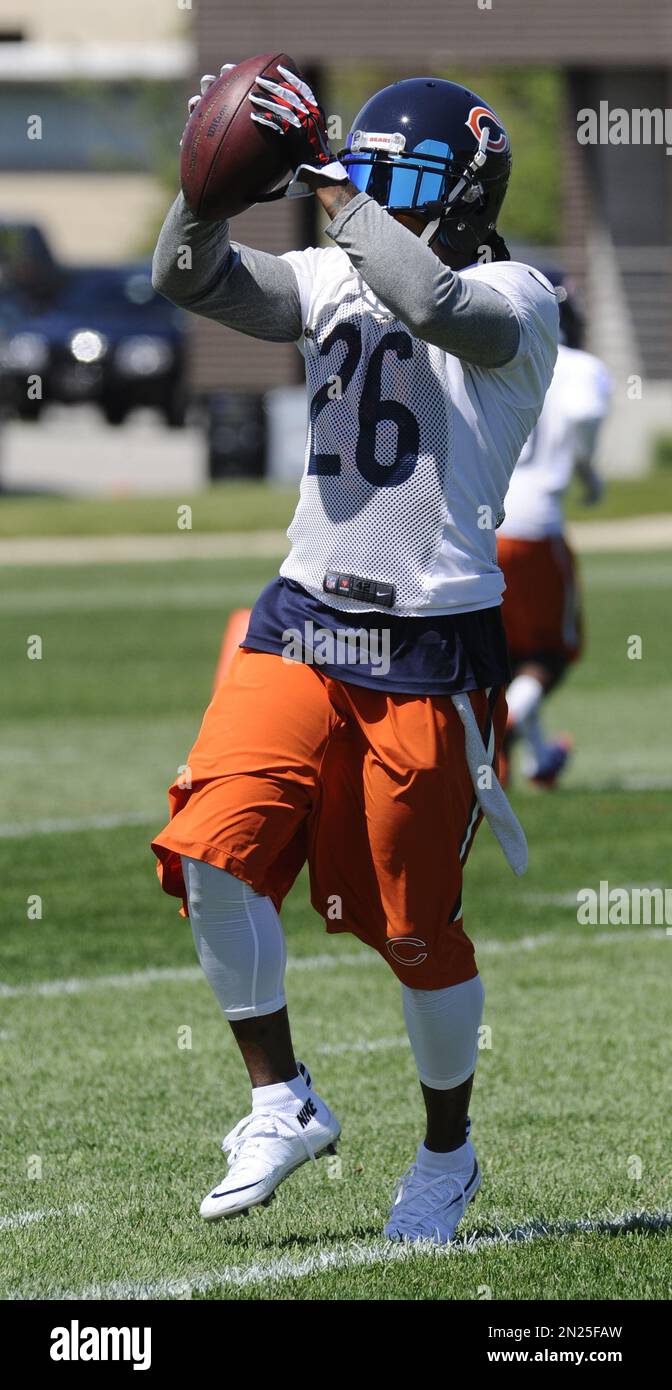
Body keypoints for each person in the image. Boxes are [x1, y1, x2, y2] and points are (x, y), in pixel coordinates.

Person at [151, 66, 558, 1243]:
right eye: (371, 172)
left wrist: (331, 179)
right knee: (212, 846)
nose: (377, 190)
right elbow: (187, 277)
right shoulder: (342, 265)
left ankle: (447, 1151)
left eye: (402, 177)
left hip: (430, 646)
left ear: (468, 191)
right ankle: (280, 1098)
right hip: (303, 618)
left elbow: (432, 305)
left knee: (415, 927)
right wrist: (207, 186)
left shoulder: (520, 297)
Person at [497, 273, 612, 787]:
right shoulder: (581, 368)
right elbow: (584, 414)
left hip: (479, 525)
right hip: (536, 526)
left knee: (506, 653)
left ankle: (539, 759)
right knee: (551, 653)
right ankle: (509, 724)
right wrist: (587, 471)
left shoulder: (504, 352)